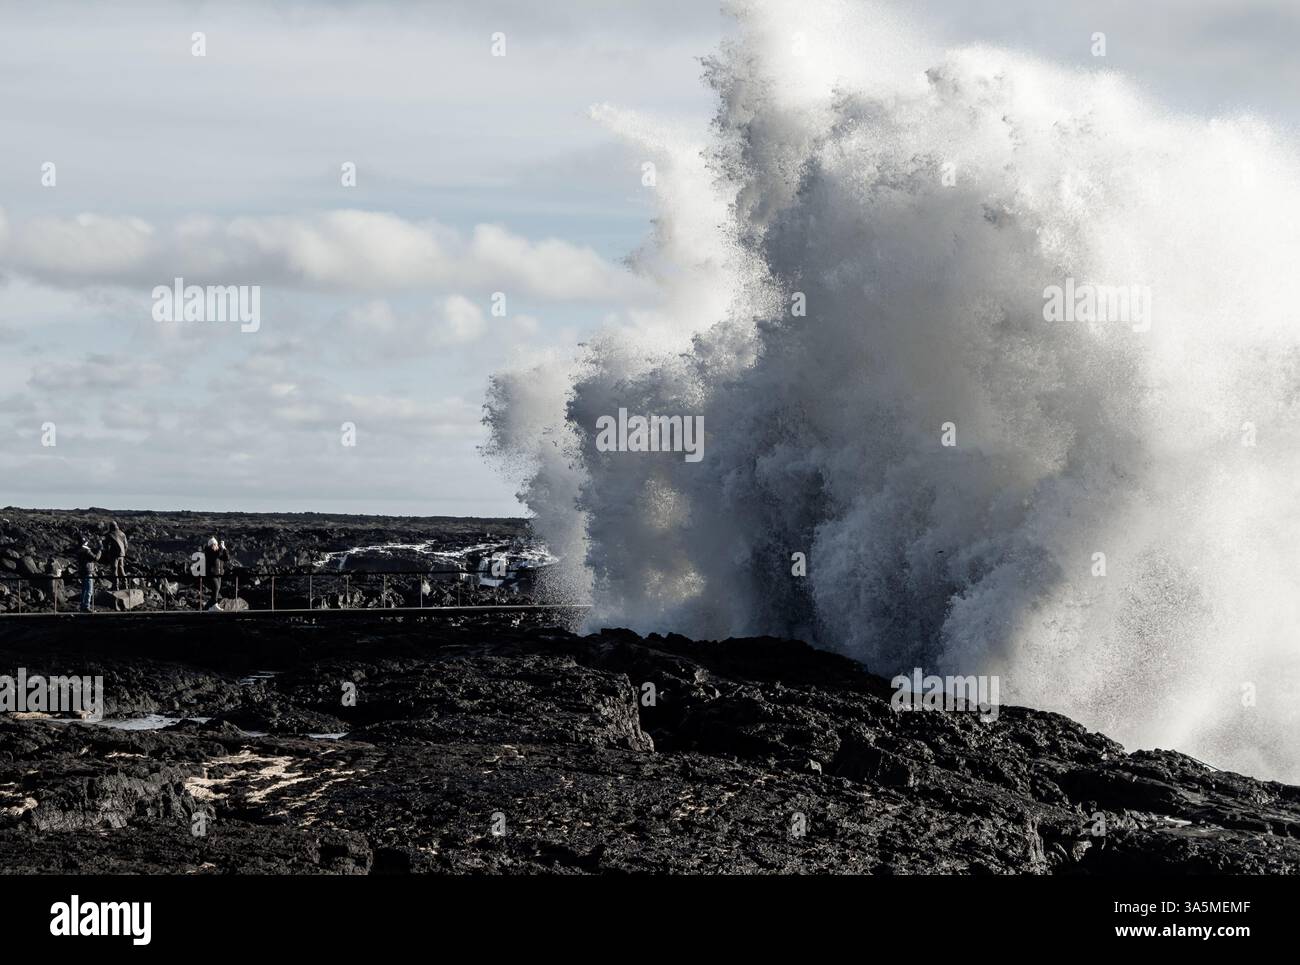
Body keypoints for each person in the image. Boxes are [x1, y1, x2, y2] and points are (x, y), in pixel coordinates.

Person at [202, 537, 230, 611]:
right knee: (216, 588)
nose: (216, 546)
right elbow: (216, 555)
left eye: (216, 544)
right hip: (211, 575)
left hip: (219, 575)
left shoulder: (218, 552)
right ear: (211, 545)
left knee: (216, 591)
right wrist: (221, 548)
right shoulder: (209, 552)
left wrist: (224, 548)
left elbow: (226, 558)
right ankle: (212, 606)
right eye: (214, 544)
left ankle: (208, 607)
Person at [76, 535, 101, 613]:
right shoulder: (86, 550)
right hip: (88, 571)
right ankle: (86, 606)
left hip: (82, 571)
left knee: (84, 590)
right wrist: (100, 550)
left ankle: (82, 606)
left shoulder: (79, 549)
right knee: (89, 590)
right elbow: (95, 558)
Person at [102, 521, 128, 591]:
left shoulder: (110, 534)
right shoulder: (122, 533)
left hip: (114, 554)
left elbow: (105, 545)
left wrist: (106, 553)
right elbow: (126, 545)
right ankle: (125, 584)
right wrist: (124, 553)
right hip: (122, 554)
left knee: (114, 570)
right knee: (121, 569)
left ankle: (116, 586)